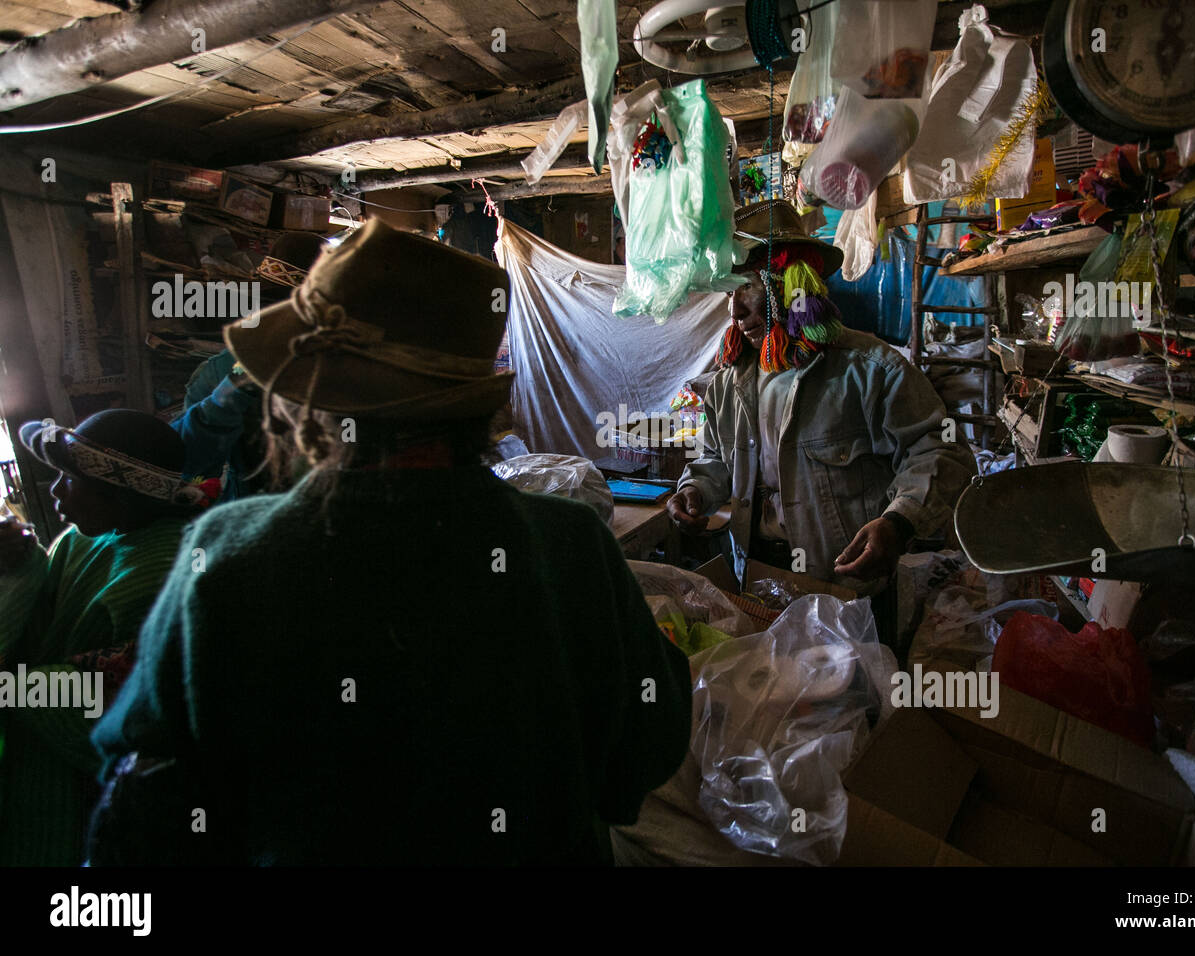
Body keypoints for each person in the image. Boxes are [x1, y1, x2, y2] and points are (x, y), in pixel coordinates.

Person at [90, 218, 692, 865]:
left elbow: (142, 804)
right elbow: (646, 750)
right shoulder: (569, 547)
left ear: (305, 399)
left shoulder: (225, 560)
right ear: (472, 406)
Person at [666, 200, 976, 633]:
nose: (735, 312)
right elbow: (715, 458)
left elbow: (940, 450)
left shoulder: (870, 369)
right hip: (756, 576)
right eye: (729, 293)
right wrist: (697, 488)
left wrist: (898, 521)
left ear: (794, 284)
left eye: (749, 288)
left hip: (847, 585)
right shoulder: (727, 383)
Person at [0, 409, 205, 865]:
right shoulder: (80, 539)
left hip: (93, 787)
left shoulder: (167, 568)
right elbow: (41, 622)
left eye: (68, 481)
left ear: (120, 500)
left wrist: (11, 688)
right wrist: (18, 563)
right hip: (39, 756)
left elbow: (128, 695)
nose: (54, 491)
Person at [171, 232, 327, 502]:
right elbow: (190, 468)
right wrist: (235, 387)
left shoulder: (345, 367)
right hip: (253, 513)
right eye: (270, 308)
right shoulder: (222, 371)